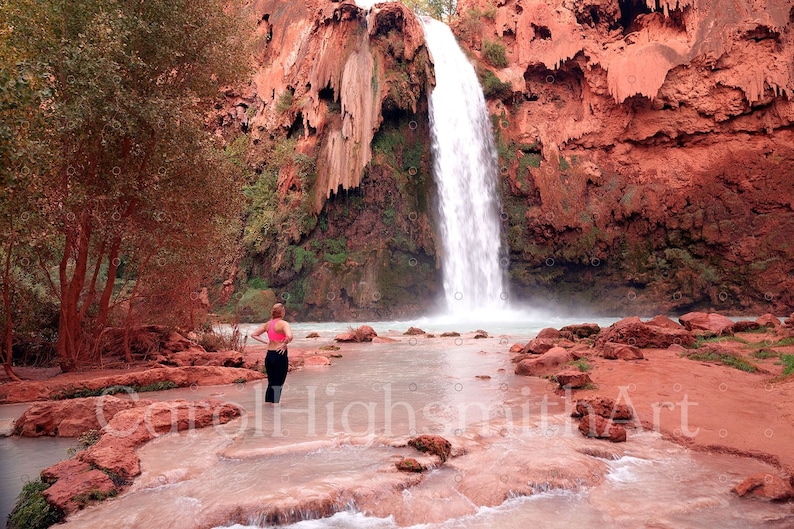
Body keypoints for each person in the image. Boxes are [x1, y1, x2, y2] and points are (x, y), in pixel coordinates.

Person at [250, 303, 293, 403]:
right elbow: (289, 336)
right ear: (282, 312)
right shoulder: (284, 324)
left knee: (271, 383)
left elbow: (254, 334)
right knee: (278, 384)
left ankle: (268, 410)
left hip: (269, 355)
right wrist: (284, 344)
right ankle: (275, 409)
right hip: (280, 355)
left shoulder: (268, 324)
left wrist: (267, 342)